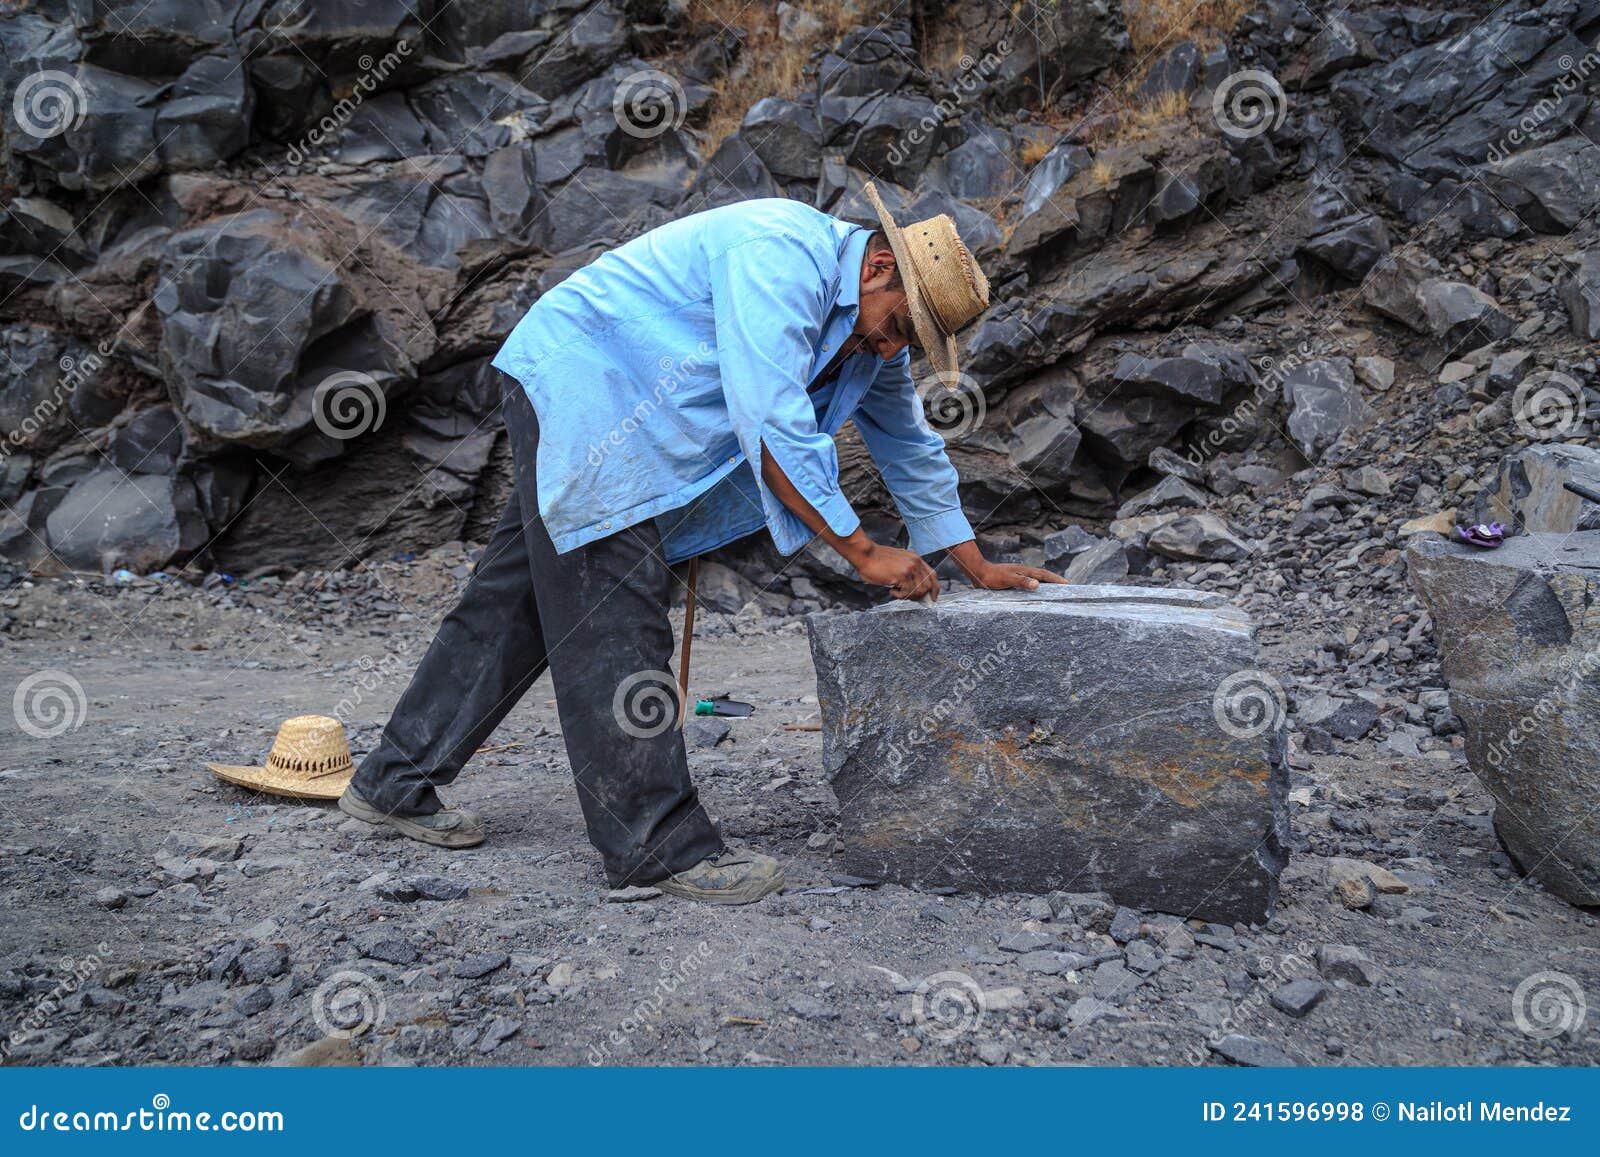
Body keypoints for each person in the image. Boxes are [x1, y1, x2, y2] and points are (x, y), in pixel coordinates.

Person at [338, 184, 1065, 904]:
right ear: (879, 267)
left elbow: (908, 444)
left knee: (517, 600)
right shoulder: (780, 255)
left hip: (610, 399)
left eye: (910, 340)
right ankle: (654, 843)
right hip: (589, 385)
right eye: (903, 326)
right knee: (616, 612)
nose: (895, 346)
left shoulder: (866, 340)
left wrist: (975, 563)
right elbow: (771, 417)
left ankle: (393, 781)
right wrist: (863, 552)